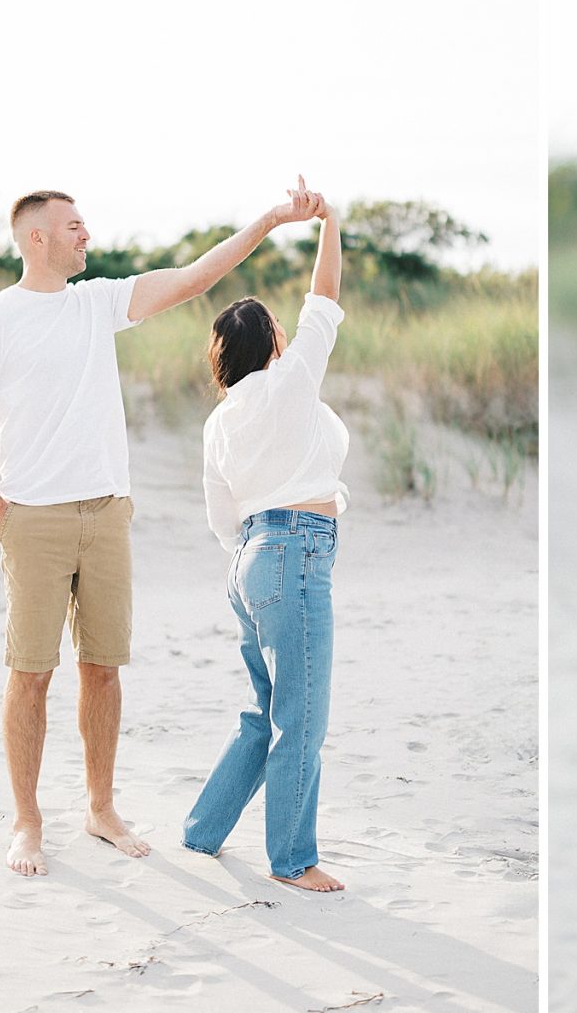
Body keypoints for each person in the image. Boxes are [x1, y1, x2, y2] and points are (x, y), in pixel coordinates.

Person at [0, 178, 324, 877]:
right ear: (37, 238)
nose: (86, 234)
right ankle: (28, 820)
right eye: (73, 225)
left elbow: (194, 277)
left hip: (108, 512)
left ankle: (100, 807)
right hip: (34, 519)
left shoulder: (97, 302)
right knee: (30, 674)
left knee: (104, 669)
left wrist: (269, 220)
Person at [180, 198, 349, 893]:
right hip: (293, 553)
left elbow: (222, 516)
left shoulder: (220, 421)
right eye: (282, 327)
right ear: (273, 341)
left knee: (265, 710)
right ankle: (292, 859)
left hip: (249, 559)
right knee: (300, 717)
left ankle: (203, 829)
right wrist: (329, 224)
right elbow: (326, 300)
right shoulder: (291, 380)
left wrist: (256, 558)